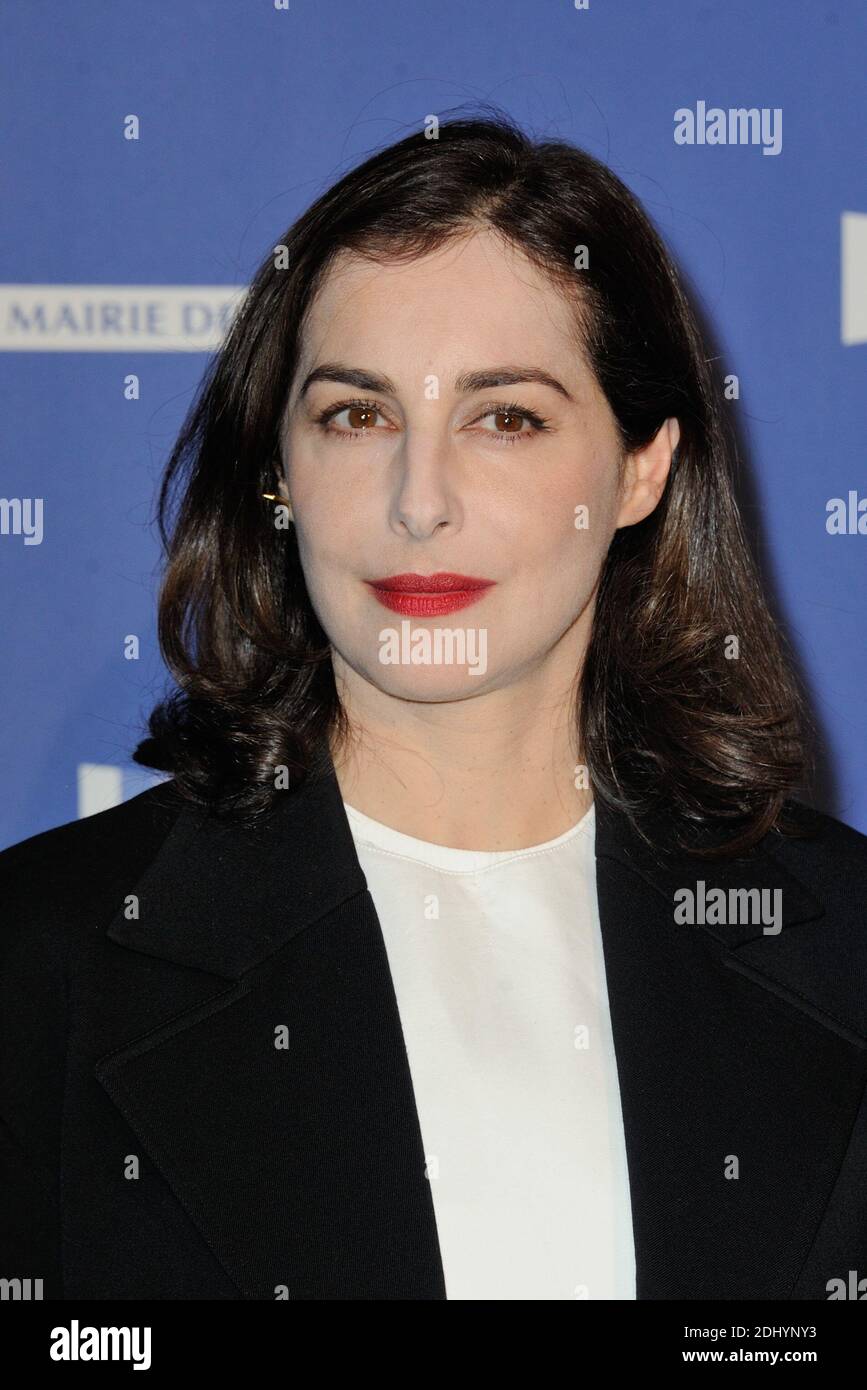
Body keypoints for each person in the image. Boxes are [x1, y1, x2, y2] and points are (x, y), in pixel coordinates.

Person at [2, 113, 866, 1302]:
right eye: (357, 415)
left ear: (640, 469)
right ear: (280, 475)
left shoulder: (845, 950)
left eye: (504, 416)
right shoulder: (43, 959)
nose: (420, 500)